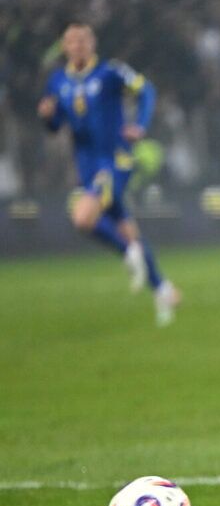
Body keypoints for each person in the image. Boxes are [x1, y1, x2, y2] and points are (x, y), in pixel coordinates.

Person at [38, 23, 180, 325]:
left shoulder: (110, 73)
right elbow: (56, 126)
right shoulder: (58, 81)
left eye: (83, 40)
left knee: (82, 218)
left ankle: (129, 252)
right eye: (72, 41)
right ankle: (162, 288)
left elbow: (147, 90)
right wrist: (48, 118)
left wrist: (140, 124)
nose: (78, 46)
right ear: (64, 47)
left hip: (115, 161)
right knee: (126, 228)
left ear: (92, 43)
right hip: (87, 166)